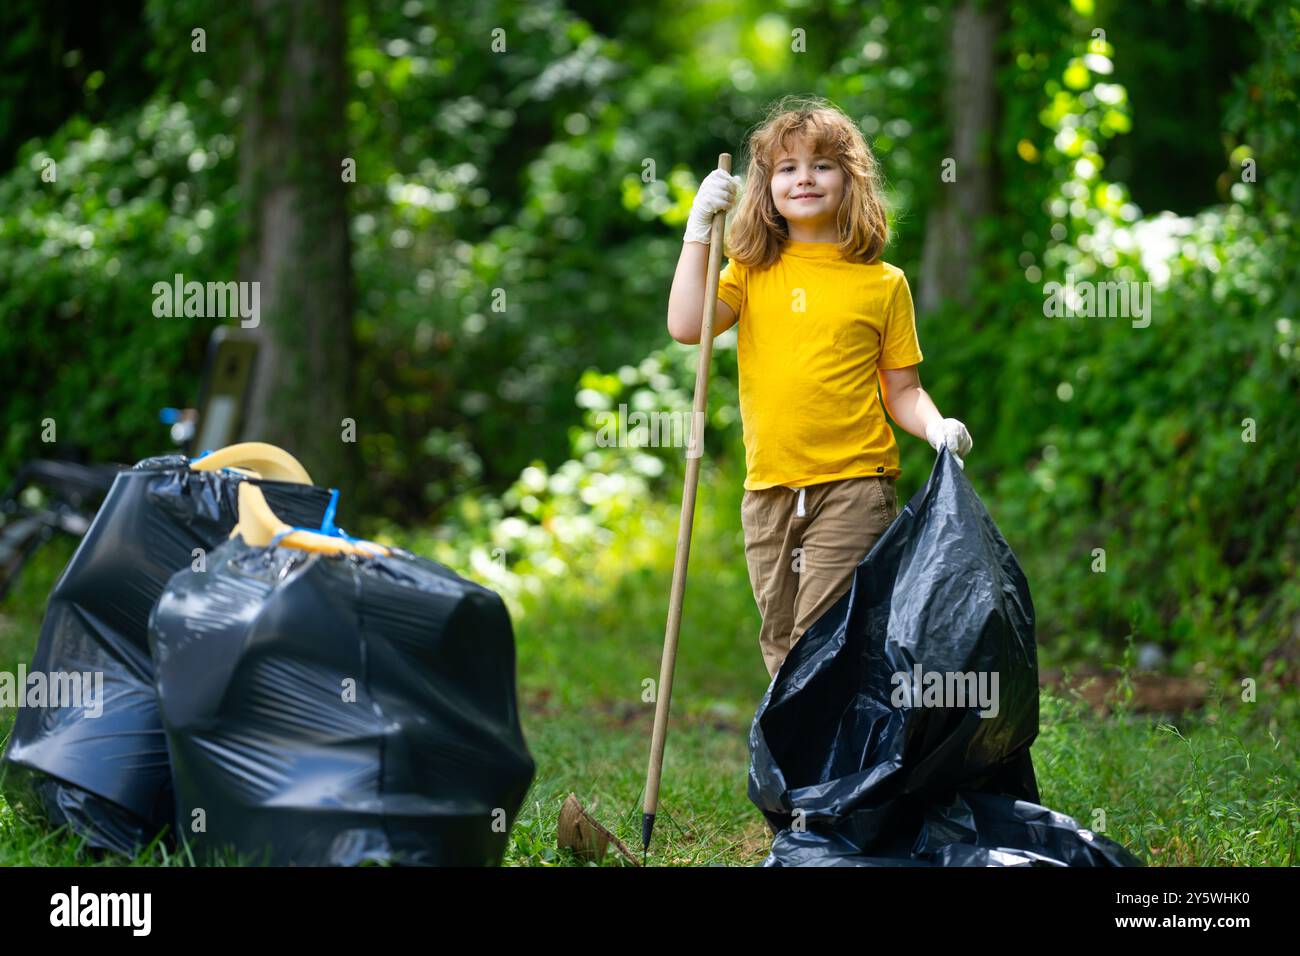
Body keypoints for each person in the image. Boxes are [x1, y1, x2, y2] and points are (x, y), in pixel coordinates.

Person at [666, 95, 973, 680]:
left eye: (821, 165)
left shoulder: (882, 284)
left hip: (854, 484)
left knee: (821, 640)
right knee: (782, 646)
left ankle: (830, 770)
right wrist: (698, 231)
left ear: (850, 180)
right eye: (787, 168)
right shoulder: (750, 271)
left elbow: (902, 390)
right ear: (767, 187)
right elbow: (686, 326)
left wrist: (936, 427)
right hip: (770, 488)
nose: (803, 178)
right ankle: (805, 768)